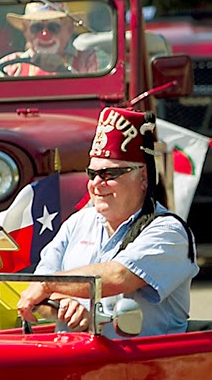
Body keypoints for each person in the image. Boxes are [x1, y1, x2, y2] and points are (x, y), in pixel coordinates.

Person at [15, 107, 196, 337]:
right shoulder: (77, 222)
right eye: (92, 174)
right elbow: (37, 291)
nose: (96, 183)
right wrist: (63, 304)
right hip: (78, 361)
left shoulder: (168, 231)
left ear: (143, 178)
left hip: (144, 365)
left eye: (110, 174)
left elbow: (118, 276)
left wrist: (50, 286)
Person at [0, 1, 99, 77]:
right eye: (36, 28)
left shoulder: (88, 60)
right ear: (25, 31)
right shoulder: (11, 66)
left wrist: (64, 69)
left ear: (69, 29)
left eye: (53, 28)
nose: (44, 34)